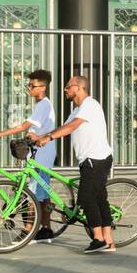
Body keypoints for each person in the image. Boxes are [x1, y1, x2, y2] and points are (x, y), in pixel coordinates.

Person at [34, 76, 114, 253]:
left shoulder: (90, 105)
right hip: (89, 160)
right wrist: (39, 137)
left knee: (86, 199)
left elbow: (72, 127)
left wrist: (48, 138)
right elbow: (64, 127)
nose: (65, 90)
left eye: (68, 87)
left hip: (97, 159)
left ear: (79, 88)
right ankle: (109, 241)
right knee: (100, 199)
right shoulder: (77, 109)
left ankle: (98, 239)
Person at [0, 69, 57, 241]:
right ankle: (45, 229)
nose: (29, 88)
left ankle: (28, 231)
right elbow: (32, 130)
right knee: (40, 193)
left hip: (43, 154)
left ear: (43, 87)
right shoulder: (40, 105)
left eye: (33, 85)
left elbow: (24, 126)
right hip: (36, 153)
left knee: (32, 193)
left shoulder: (44, 104)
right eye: (29, 84)